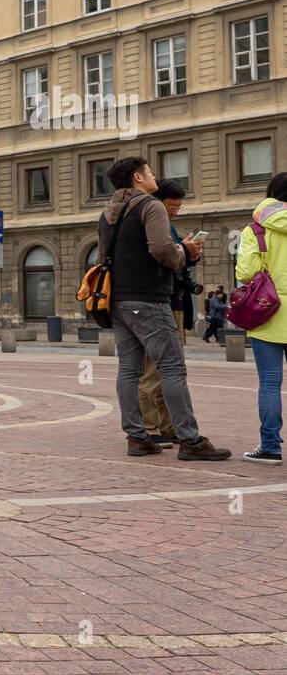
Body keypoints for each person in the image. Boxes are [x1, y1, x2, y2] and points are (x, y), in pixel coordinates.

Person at [98, 157, 227, 460]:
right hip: (149, 298)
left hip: (117, 300)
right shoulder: (150, 205)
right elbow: (162, 250)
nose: (154, 176)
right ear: (138, 177)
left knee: (129, 370)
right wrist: (186, 251)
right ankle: (191, 441)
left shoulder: (107, 213)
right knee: (172, 368)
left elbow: (103, 256)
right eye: (150, 172)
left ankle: (137, 437)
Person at [138, 179, 198, 448]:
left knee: (170, 369)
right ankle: (150, 429)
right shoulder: (151, 224)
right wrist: (183, 250)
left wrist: (188, 253)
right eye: (172, 206)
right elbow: (161, 259)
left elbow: (175, 261)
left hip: (173, 303)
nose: (175, 211)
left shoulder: (167, 228)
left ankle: (166, 425)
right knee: (153, 370)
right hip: (159, 304)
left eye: (178, 207)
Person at [236, 172, 287, 464]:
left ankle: (270, 447)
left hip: (269, 312)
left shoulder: (255, 230)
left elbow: (245, 272)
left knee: (270, 382)